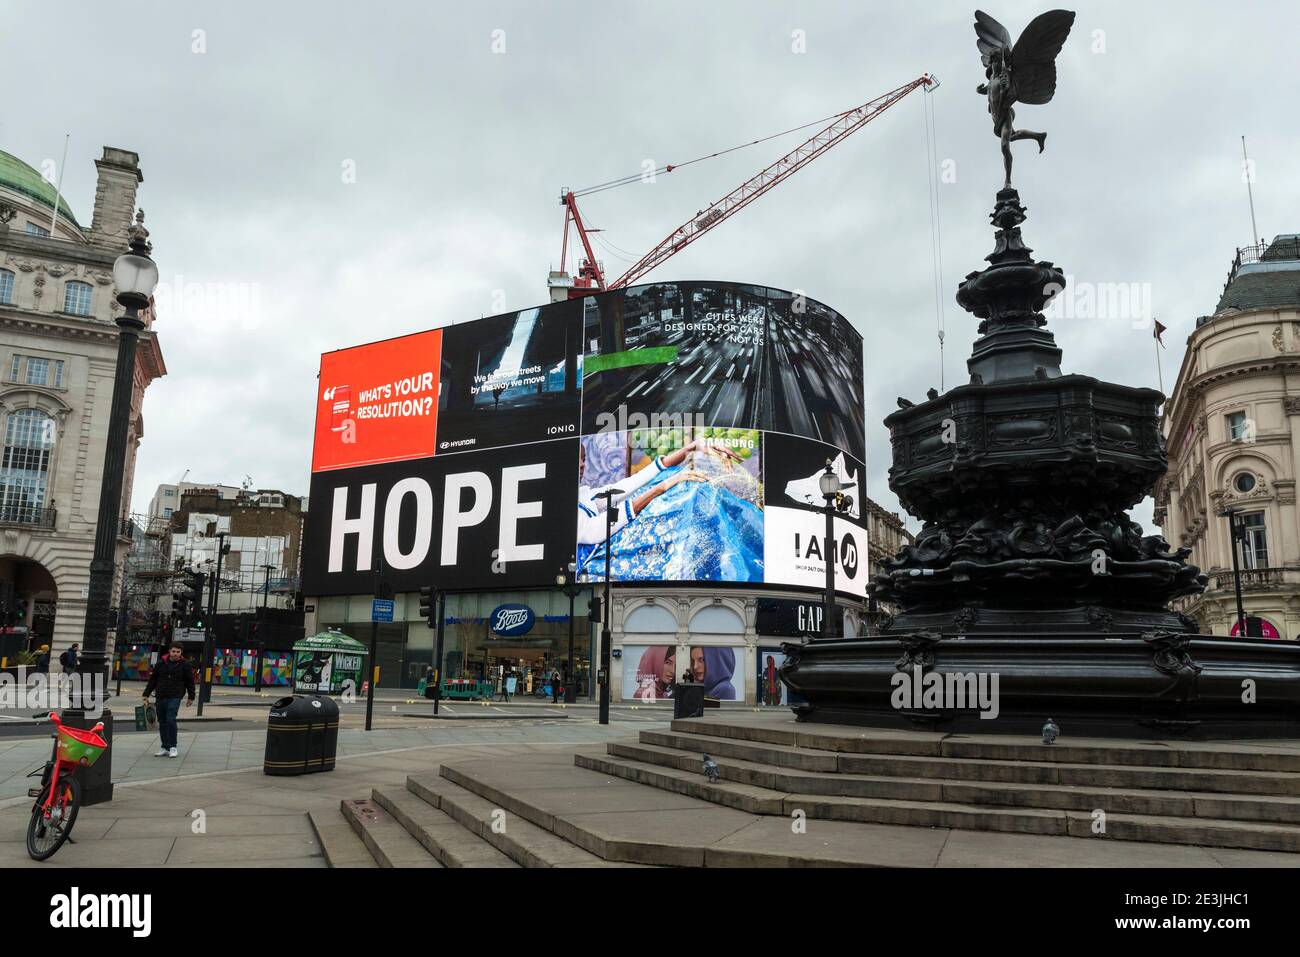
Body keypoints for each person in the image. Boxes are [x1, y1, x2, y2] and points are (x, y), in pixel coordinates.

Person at [576, 438, 740, 547]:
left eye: (584, 459)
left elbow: (632, 483)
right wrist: (662, 487)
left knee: (674, 482)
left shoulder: (585, 494)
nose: (582, 465)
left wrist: (692, 447)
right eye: (578, 458)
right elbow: (594, 531)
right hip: (588, 575)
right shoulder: (557, 502)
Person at [142, 643, 195, 758]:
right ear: (169, 652)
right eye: (173, 651)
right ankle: (164, 747)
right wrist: (146, 694)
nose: (175, 654)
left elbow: (190, 681)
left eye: (178, 652)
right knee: (162, 721)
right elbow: (153, 680)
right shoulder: (161, 663)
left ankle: (173, 747)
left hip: (175, 696)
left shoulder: (185, 665)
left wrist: (191, 697)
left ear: (181, 653)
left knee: (171, 719)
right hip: (161, 695)